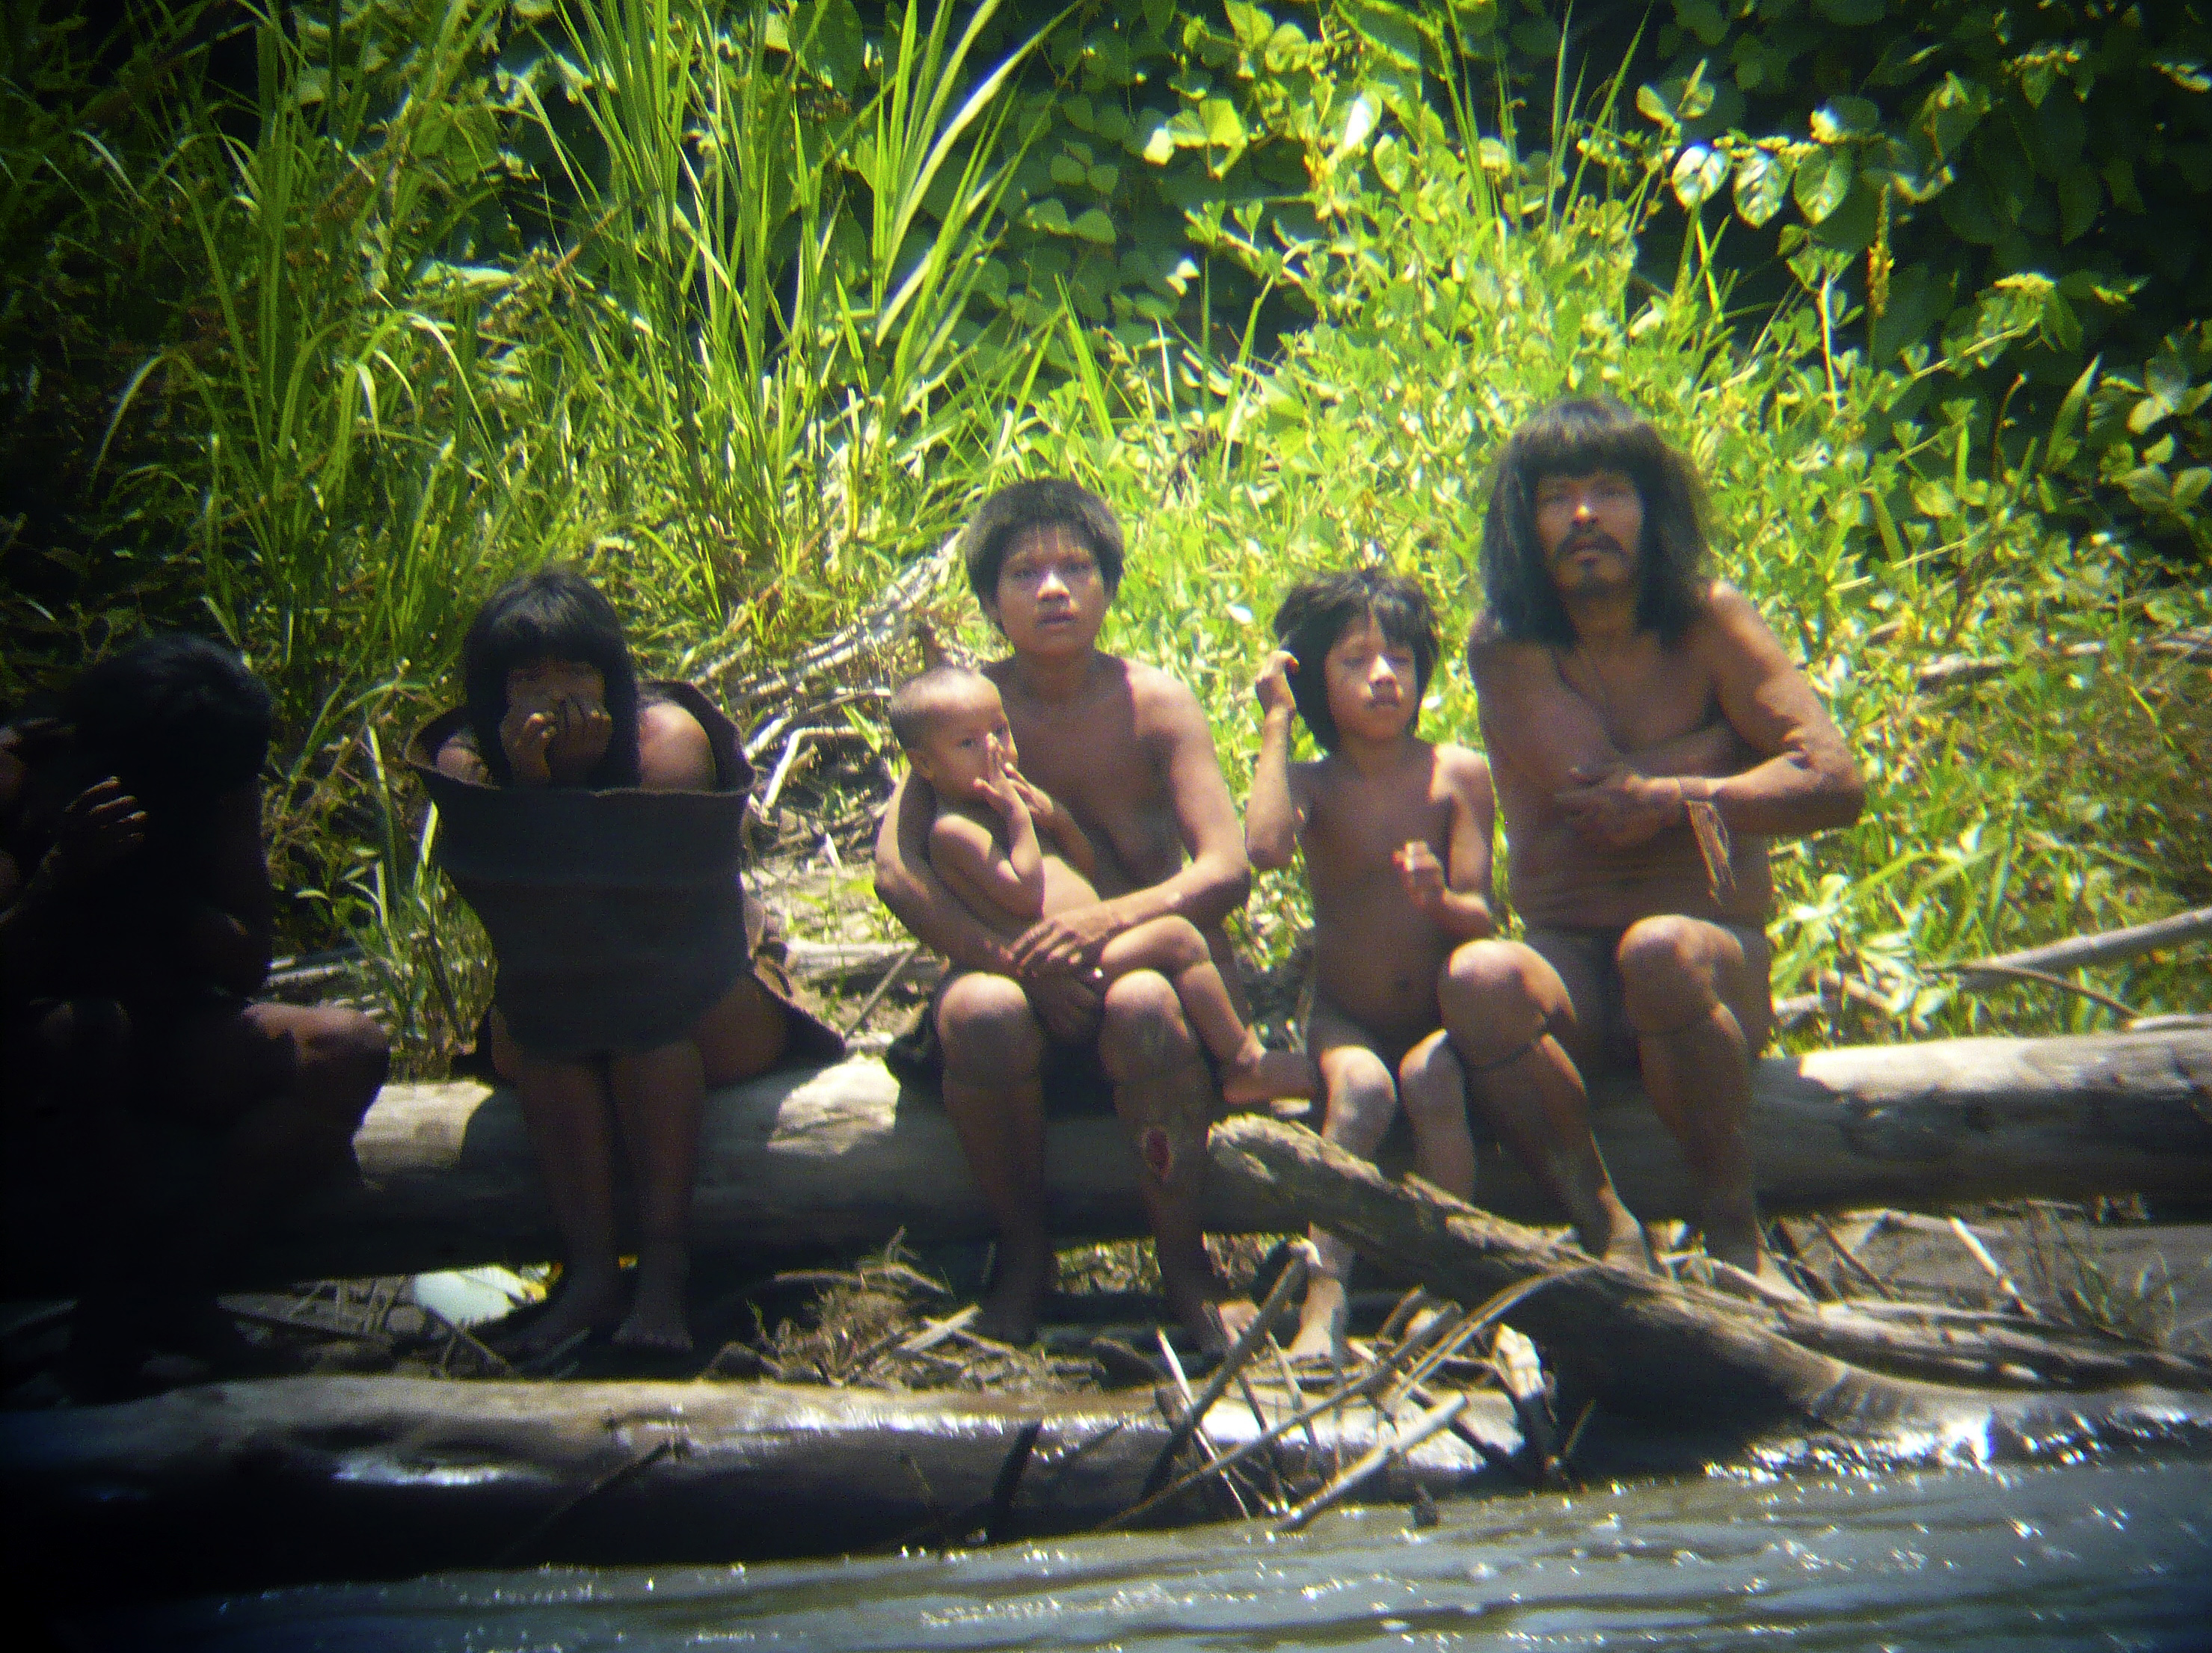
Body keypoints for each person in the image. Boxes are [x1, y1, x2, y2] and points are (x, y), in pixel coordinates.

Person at [1448, 396, 1864, 1294]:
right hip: (1574, 972)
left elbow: (1836, 783)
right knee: (1480, 977)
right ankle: (1606, 1229)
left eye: (1609, 491)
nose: (1584, 516)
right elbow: (1599, 798)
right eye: (1556, 498)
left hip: (1707, 963)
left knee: (1661, 950)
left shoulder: (1711, 620)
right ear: (1524, 524)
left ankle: (1734, 1232)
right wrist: (1725, 746)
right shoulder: (1508, 645)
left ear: (1652, 508)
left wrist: (1678, 792)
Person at [874, 478, 1259, 1347]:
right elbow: (896, 871)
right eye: (1024, 573)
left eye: (1076, 568)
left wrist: (1103, 925)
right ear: (989, 603)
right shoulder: (963, 711)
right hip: (1019, 984)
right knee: (979, 1011)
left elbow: (1226, 868)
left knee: (1145, 1005)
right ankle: (1023, 1255)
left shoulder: (1156, 704)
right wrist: (1017, 962)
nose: (1053, 589)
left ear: (1110, 587)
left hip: (1143, 976)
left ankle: (1185, 1266)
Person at [430, 567, 831, 1355]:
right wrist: (537, 787)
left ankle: (663, 1280)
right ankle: (589, 1279)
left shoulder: (667, 740)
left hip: (702, 992)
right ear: (493, 690)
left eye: (576, 671)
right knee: (553, 1031)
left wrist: (580, 788)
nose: (556, 695)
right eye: (528, 678)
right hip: (551, 1004)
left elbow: (658, 915)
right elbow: (512, 912)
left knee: (643, 1019)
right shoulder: (468, 760)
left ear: (610, 674)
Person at [0, 635, 390, 1394]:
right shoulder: (21, 774)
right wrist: (60, 879)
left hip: (166, 1030)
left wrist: (152, 891)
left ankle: (174, 1286)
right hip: (39, 1048)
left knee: (345, 1050)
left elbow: (246, 960)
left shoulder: (216, 781)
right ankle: (109, 1322)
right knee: (90, 1032)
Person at [1244, 570, 1499, 1361]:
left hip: (1440, 1016)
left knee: (1431, 1080)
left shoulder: (1456, 773)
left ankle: (1446, 1289)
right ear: (1316, 682)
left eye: (1400, 659)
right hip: (1346, 1017)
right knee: (1360, 1092)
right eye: (1355, 661)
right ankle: (1324, 1301)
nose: (1384, 676)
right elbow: (1265, 847)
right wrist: (1277, 724)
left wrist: (1438, 899)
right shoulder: (1315, 785)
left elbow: (1483, 915)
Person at [891, 664, 1311, 1109]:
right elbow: (1025, 892)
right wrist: (1019, 820)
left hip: (1086, 950)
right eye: (968, 744)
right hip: (1060, 970)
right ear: (924, 764)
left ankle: (1235, 1060)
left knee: (1182, 948)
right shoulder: (955, 830)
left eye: (1000, 731)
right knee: (1178, 938)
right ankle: (1242, 1061)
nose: (994, 749)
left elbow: (1084, 866)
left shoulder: (1007, 806)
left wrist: (1057, 819)